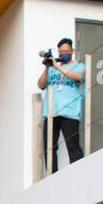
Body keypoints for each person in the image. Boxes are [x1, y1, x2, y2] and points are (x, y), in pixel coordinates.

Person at [38, 38, 86, 173]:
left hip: (70, 113)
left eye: (66, 51)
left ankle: (78, 173)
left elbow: (78, 77)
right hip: (51, 113)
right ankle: (53, 175)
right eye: (60, 52)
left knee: (73, 146)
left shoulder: (79, 66)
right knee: (50, 148)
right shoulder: (52, 69)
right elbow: (41, 85)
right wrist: (47, 68)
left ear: (72, 51)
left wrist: (58, 67)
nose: (63, 53)